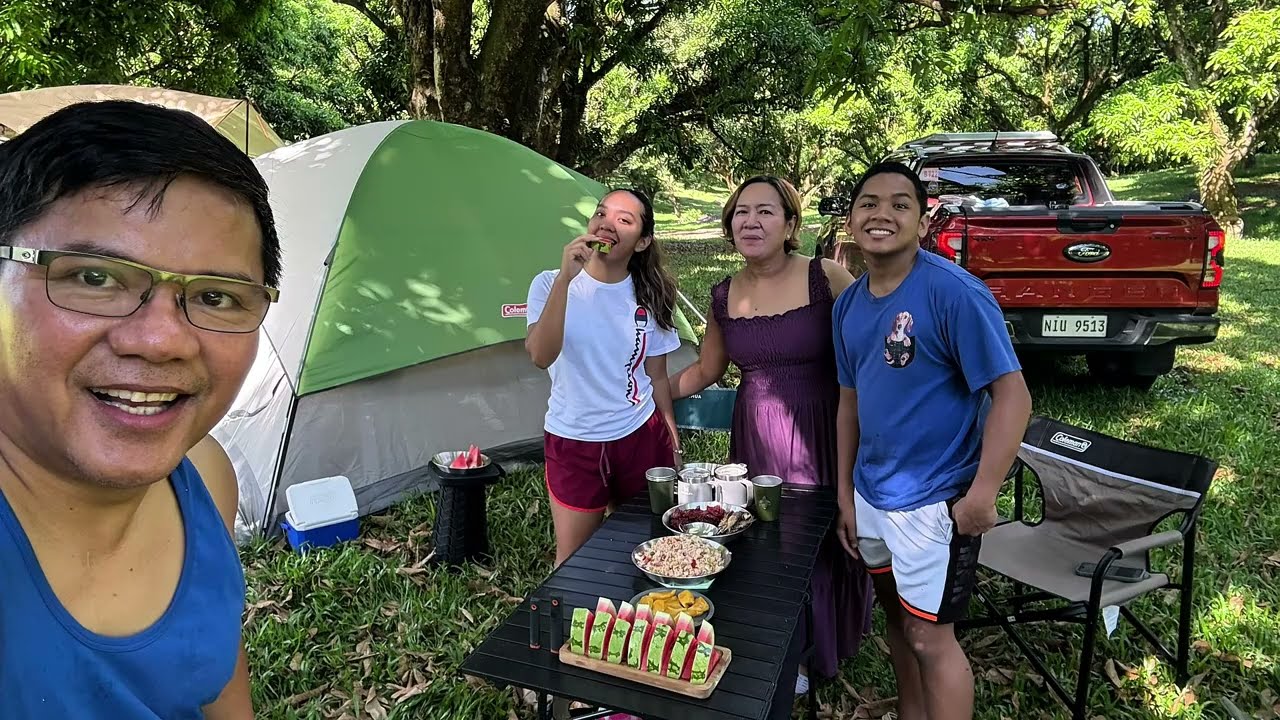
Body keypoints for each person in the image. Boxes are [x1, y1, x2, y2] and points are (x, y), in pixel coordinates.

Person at [0, 100, 280, 718]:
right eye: (94, 277)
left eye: (215, 296)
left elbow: (214, 683)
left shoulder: (205, 475)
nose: (161, 341)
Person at [831, 162, 1032, 720]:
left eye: (900, 204)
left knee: (931, 640)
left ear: (923, 222)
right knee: (897, 622)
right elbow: (850, 402)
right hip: (872, 498)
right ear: (851, 219)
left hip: (935, 503)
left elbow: (1012, 396)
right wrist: (847, 494)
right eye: (868, 202)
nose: (882, 214)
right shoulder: (848, 305)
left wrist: (983, 492)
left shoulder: (955, 293)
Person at [669, 175, 875, 692]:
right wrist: (642, 395)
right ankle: (782, 641)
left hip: (824, 426)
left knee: (824, 535)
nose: (751, 222)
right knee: (769, 537)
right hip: (757, 433)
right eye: (741, 212)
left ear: (789, 223)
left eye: (765, 211)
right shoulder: (723, 294)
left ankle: (821, 645)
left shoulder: (824, 276)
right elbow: (705, 370)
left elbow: (870, 351)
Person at [525, 188, 683, 567]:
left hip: (640, 437)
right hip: (574, 440)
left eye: (624, 220)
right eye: (601, 214)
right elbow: (540, 356)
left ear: (643, 241)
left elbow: (657, 376)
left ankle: (642, 624)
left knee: (653, 549)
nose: (607, 224)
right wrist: (566, 280)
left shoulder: (651, 294)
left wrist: (672, 437)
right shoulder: (549, 284)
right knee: (575, 561)